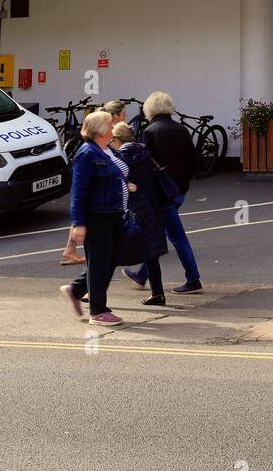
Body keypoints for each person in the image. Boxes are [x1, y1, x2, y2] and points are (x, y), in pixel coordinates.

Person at [126, 90, 203, 294]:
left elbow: (141, 164)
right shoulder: (182, 129)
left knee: (176, 236)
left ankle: (193, 278)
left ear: (150, 109)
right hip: (179, 190)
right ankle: (142, 275)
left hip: (162, 193)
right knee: (161, 231)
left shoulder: (150, 132)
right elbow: (195, 162)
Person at [59, 110, 129, 325]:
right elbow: (79, 192)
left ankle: (77, 289)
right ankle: (97, 311)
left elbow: (119, 173)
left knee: (111, 259)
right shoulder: (87, 154)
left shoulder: (107, 149)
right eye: (110, 124)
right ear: (99, 130)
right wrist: (78, 223)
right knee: (99, 263)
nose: (113, 127)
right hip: (98, 216)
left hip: (115, 213)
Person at [110, 122, 169, 306]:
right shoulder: (144, 153)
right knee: (150, 252)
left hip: (133, 209)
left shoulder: (122, 158)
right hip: (151, 207)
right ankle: (157, 293)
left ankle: (90, 291)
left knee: (111, 252)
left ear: (118, 140)